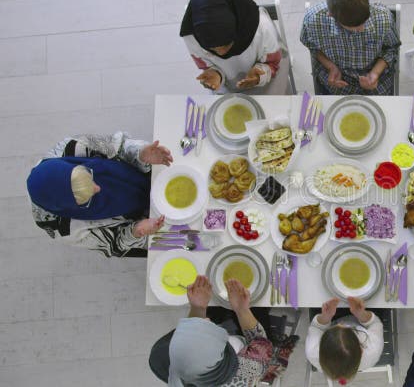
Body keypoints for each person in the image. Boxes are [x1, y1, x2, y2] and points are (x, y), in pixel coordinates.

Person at [26, 132, 172, 257]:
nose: (97, 189)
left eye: (90, 176)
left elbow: (119, 147)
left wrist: (140, 154)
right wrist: (136, 231)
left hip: (148, 177)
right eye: (87, 198)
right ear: (69, 207)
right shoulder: (61, 229)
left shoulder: (72, 147)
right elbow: (113, 244)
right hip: (143, 222)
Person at [148, 276, 297, 386]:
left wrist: (198, 308)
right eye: (207, 327)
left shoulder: (171, 367)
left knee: (214, 309)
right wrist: (241, 309)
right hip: (249, 346)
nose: (206, 320)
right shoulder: (247, 370)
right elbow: (261, 344)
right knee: (257, 304)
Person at [180, 0, 285, 94]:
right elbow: (207, 66)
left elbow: (274, 63)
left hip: (268, 84)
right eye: (212, 49)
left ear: (237, 26)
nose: (221, 53)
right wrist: (216, 74)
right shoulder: (192, 37)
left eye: (226, 44)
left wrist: (259, 76)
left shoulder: (262, 28)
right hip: (228, 88)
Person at [300, 0, 401, 95]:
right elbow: (312, 47)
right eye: (355, 27)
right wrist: (331, 67)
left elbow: (391, 49)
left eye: (365, 21)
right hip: (339, 82)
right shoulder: (314, 21)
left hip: (377, 80)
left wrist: (375, 73)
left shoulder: (383, 18)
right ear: (331, 15)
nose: (363, 29)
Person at [306, 296, 384, 385]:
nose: (342, 323)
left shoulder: (313, 351)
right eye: (349, 329)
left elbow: (316, 327)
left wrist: (325, 317)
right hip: (362, 320)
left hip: (331, 319)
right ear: (361, 350)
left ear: (320, 347)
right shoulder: (373, 350)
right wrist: (361, 314)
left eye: (337, 327)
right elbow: (375, 323)